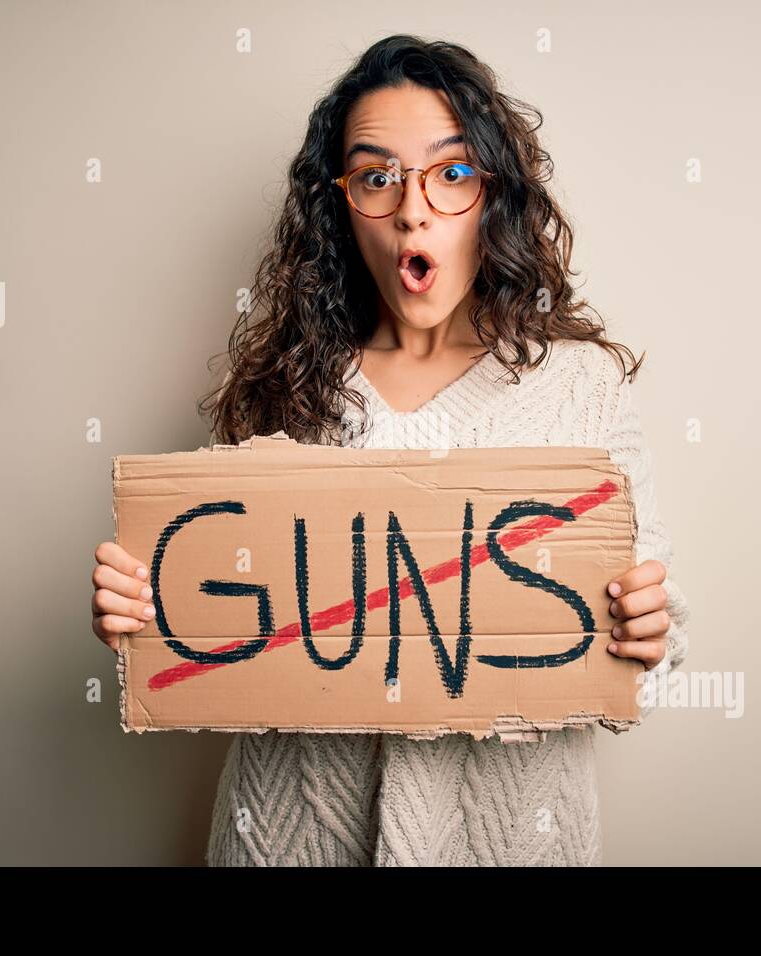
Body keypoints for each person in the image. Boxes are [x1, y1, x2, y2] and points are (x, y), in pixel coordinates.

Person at [91, 35, 691, 866]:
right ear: (341, 206)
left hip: (513, 844)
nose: (413, 209)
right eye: (376, 177)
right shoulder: (280, 390)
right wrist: (145, 610)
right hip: (293, 841)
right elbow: (215, 616)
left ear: (493, 195)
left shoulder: (582, 388)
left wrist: (651, 633)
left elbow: (650, 656)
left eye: (449, 174)